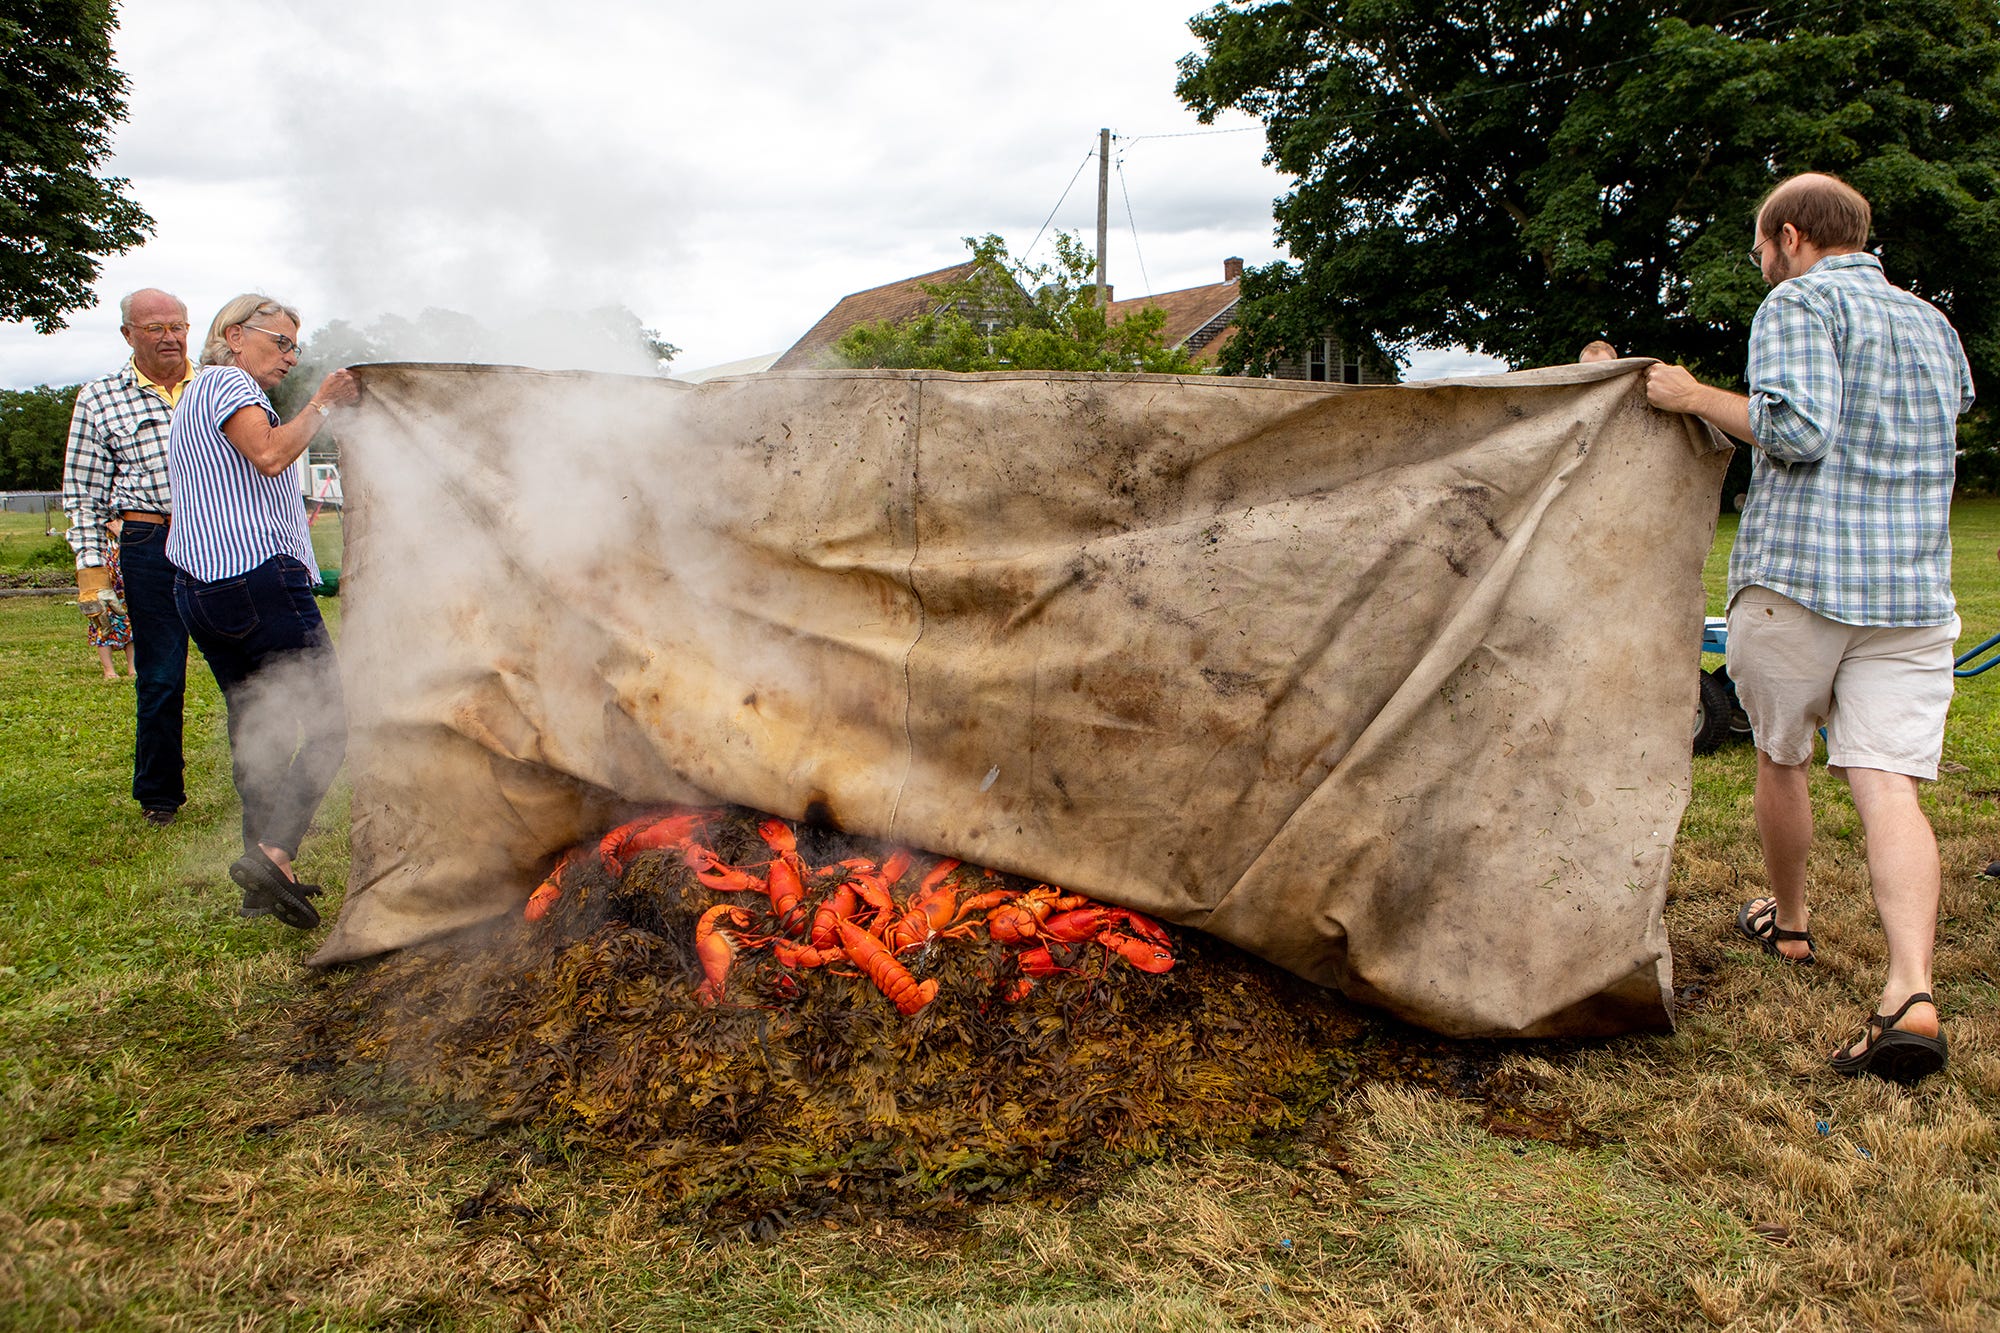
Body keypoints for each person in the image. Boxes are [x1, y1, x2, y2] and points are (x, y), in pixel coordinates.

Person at [1646, 173, 1971, 1085]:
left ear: (1789, 238)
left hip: (1801, 585)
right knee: (1890, 787)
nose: (1761, 269)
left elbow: (1797, 428)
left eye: (1759, 253)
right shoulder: (1931, 322)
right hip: (1909, 593)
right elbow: (1948, 417)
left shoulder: (1798, 303)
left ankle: (1789, 926)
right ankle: (1910, 987)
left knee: (1780, 755)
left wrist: (1691, 393)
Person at [167, 295, 359, 929]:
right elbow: (271, 454)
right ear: (234, 335)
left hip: (204, 586)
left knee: (262, 730)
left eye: (294, 346)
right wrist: (324, 399)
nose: (289, 356)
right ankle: (275, 855)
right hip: (257, 581)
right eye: (280, 342)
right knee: (333, 722)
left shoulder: (198, 391)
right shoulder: (227, 381)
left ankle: (260, 884)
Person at [61, 289, 199, 824]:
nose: (170, 337)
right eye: (155, 328)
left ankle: (261, 777)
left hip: (221, 538)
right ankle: (160, 797)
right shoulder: (100, 398)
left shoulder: (216, 384)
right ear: (128, 334)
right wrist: (93, 577)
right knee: (161, 673)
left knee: (249, 668)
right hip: (150, 542)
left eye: (178, 326)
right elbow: (83, 495)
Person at [88, 519, 133, 679]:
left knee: (130, 628)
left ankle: (132, 668)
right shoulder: (96, 539)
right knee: (102, 626)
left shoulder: (125, 528)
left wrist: (120, 533)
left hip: (124, 593)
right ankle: (109, 670)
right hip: (102, 588)